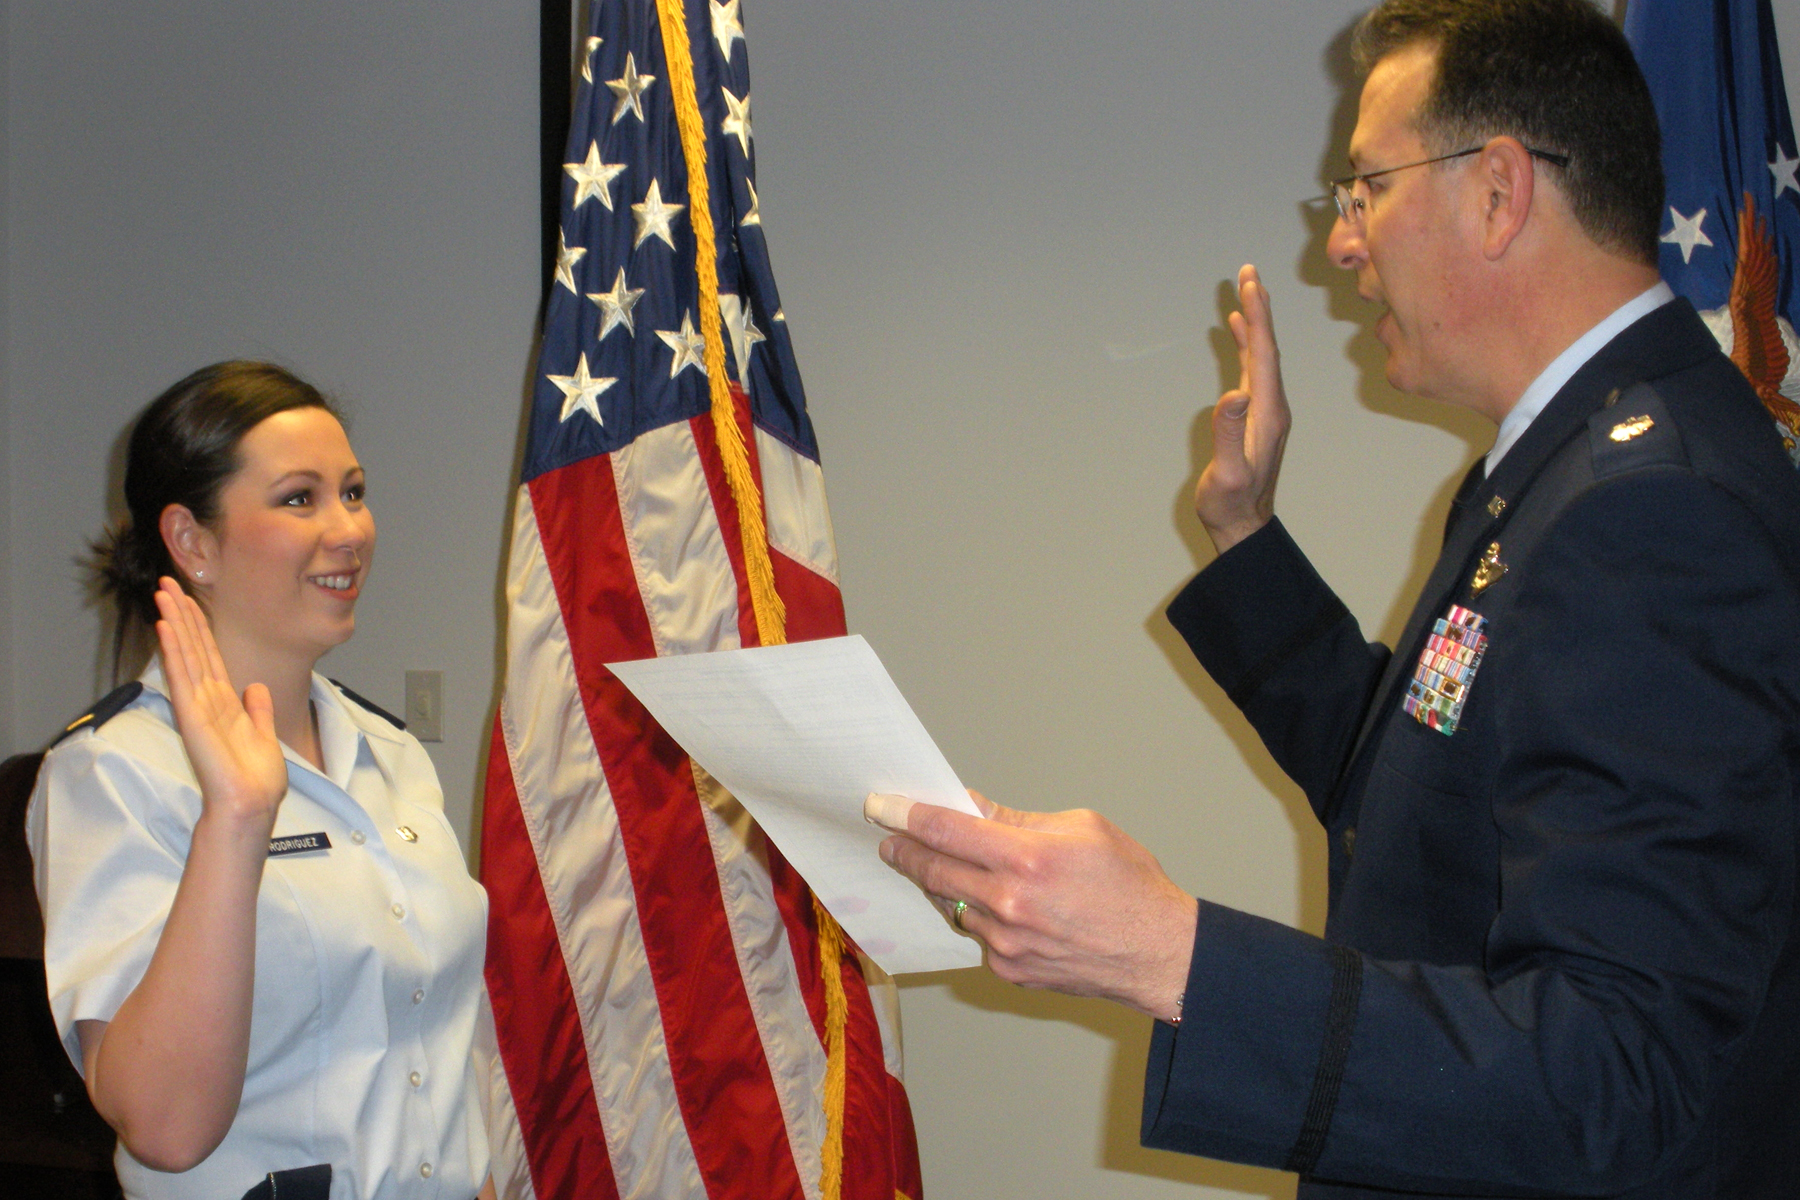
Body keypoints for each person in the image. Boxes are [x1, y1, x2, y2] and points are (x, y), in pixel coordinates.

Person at [870, 1, 1800, 1196]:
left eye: (1366, 190)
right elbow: (1430, 798)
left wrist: (1176, 956)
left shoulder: (1649, 509)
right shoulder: (1568, 468)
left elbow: (1616, 1073)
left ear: (1499, 191)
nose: (1340, 245)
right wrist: (1247, 538)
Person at [27, 362, 495, 1200]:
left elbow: (443, 1066)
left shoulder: (391, 751)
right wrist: (238, 818)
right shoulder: (115, 770)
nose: (350, 529)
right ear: (192, 542)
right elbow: (165, 1130)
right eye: (299, 499)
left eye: (353, 492)